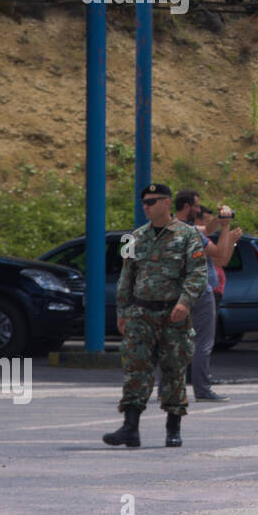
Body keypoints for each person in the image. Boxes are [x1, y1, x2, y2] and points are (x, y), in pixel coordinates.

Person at [103, 183, 209, 449]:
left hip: (173, 314)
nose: (146, 207)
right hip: (141, 312)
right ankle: (130, 428)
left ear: (166, 203)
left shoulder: (187, 236)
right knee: (136, 369)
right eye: (144, 203)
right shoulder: (136, 237)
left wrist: (185, 301)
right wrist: (123, 311)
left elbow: (197, 273)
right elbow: (127, 277)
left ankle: (173, 427)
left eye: (151, 202)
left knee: (174, 369)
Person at [173, 192, 241, 402]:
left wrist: (218, 221)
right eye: (197, 206)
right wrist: (227, 228)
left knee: (174, 341)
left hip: (175, 291)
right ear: (187, 207)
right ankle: (202, 389)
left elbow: (207, 229)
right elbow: (220, 255)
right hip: (199, 291)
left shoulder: (171, 228)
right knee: (203, 341)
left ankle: (168, 388)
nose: (199, 210)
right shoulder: (192, 233)